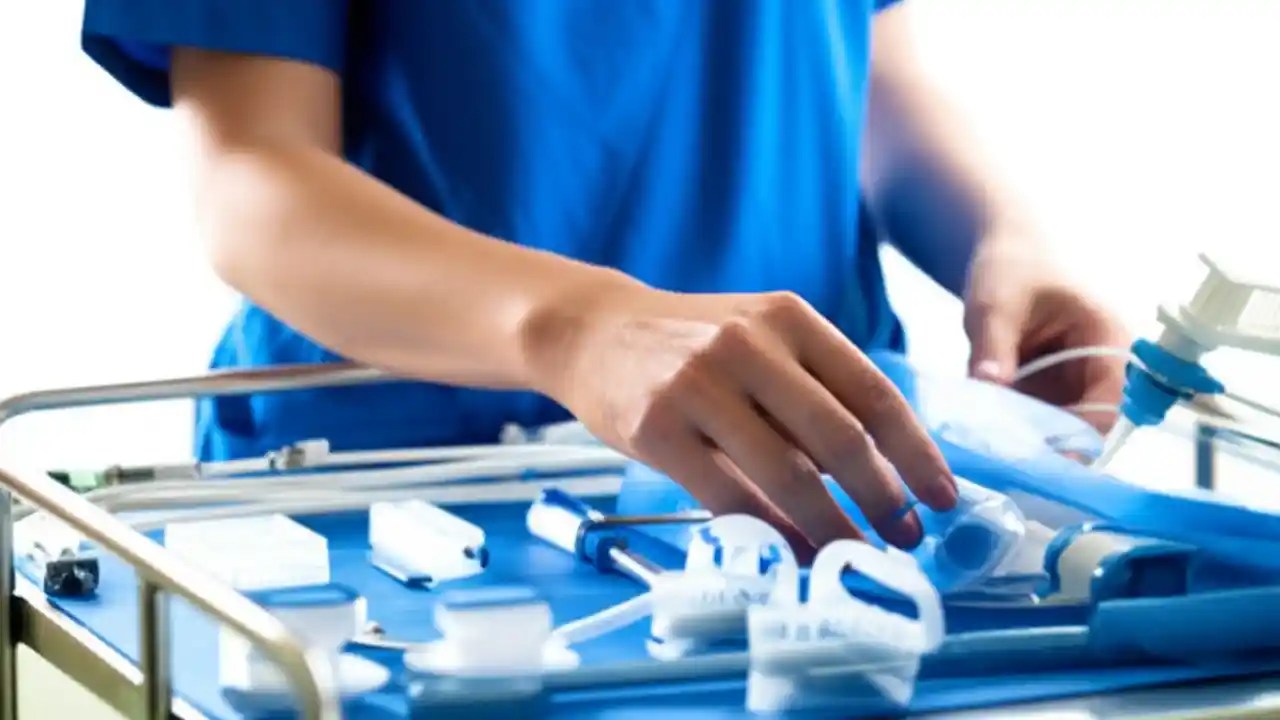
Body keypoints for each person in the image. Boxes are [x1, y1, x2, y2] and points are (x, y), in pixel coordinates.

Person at [80, 0, 1128, 555]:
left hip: (821, 479)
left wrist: (1000, 239)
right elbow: (256, 176)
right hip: (416, 500)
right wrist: (578, 328)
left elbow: (866, 66)